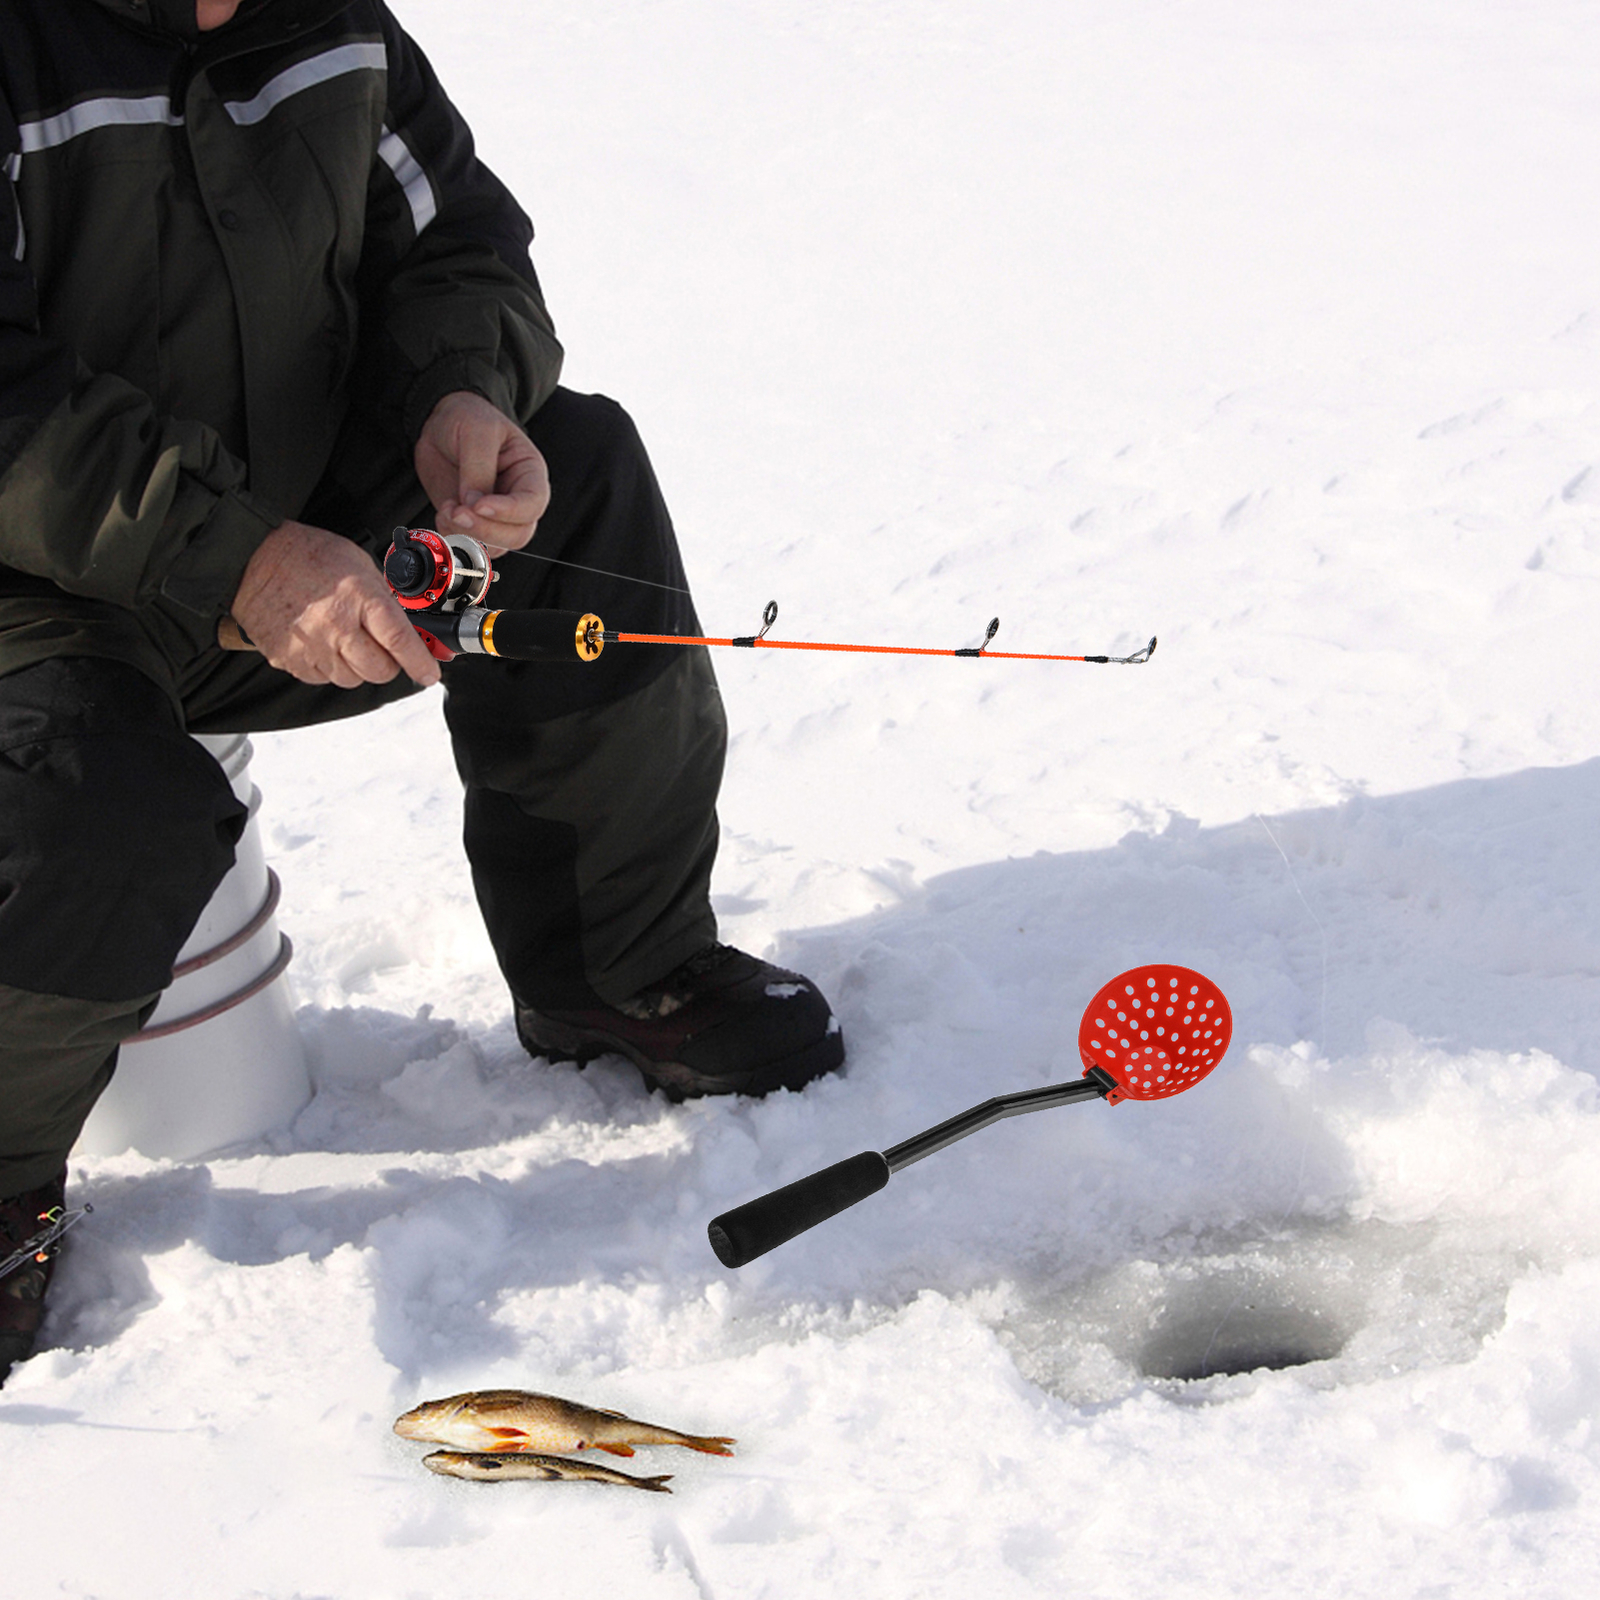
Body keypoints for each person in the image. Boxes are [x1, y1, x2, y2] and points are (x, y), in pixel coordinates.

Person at [0, 0, 844, 1383]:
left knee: (584, 477)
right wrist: (241, 560)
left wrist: (464, 393)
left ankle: (613, 970)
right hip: (31, 590)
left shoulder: (334, 24)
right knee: (89, 805)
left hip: (284, 534)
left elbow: (456, 242)